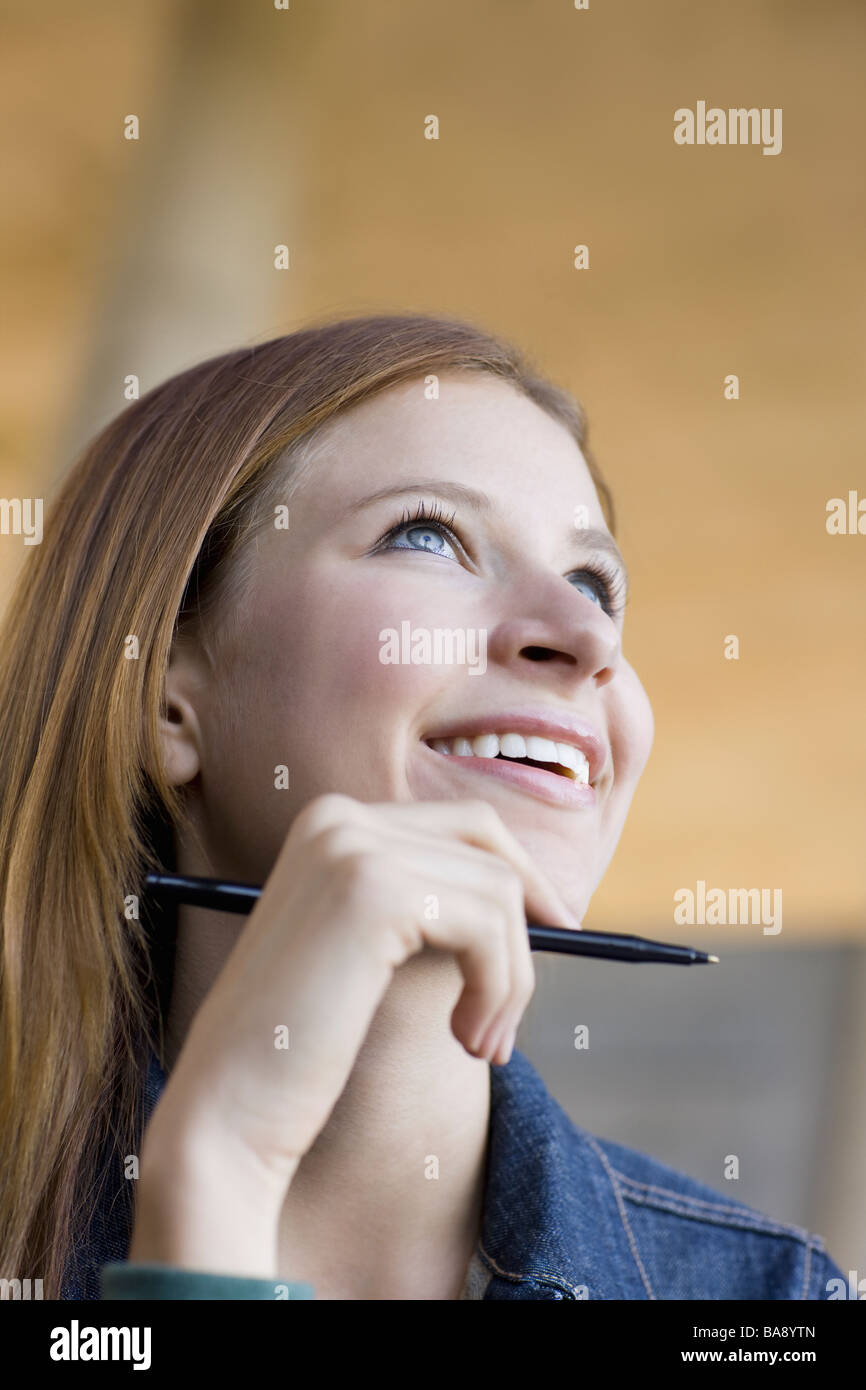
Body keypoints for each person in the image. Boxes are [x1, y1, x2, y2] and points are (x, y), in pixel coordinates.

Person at [0, 313, 843, 1301]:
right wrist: (216, 1168)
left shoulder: (769, 1296)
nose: (582, 636)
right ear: (165, 696)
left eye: (593, 583)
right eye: (428, 535)